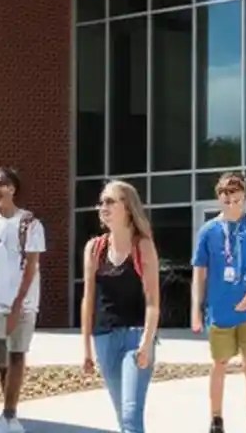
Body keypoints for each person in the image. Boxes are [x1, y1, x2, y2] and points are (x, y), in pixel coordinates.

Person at [191, 171, 246, 433]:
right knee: (219, 363)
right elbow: (199, 273)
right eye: (227, 201)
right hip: (219, 310)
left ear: (245, 198)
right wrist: (196, 309)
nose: (233, 206)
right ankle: (216, 419)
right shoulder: (208, 231)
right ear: (219, 199)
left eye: (238, 200)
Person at [79, 180, 161, 433]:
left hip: (136, 338)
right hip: (104, 337)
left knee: (130, 414)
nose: (103, 207)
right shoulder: (95, 248)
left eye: (110, 201)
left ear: (127, 207)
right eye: (101, 202)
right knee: (122, 416)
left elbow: (153, 302)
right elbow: (88, 299)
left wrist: (147, 343)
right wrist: (86, 350)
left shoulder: (143, 247)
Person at [0, 166, 47, 433]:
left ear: (13, 188)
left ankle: (8, 415)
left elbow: (31, 267)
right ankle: (9, 417)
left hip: (23, 302)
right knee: (1, 359)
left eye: (2, 184)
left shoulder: (30, 224)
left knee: (16, 356)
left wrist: (17, 305)